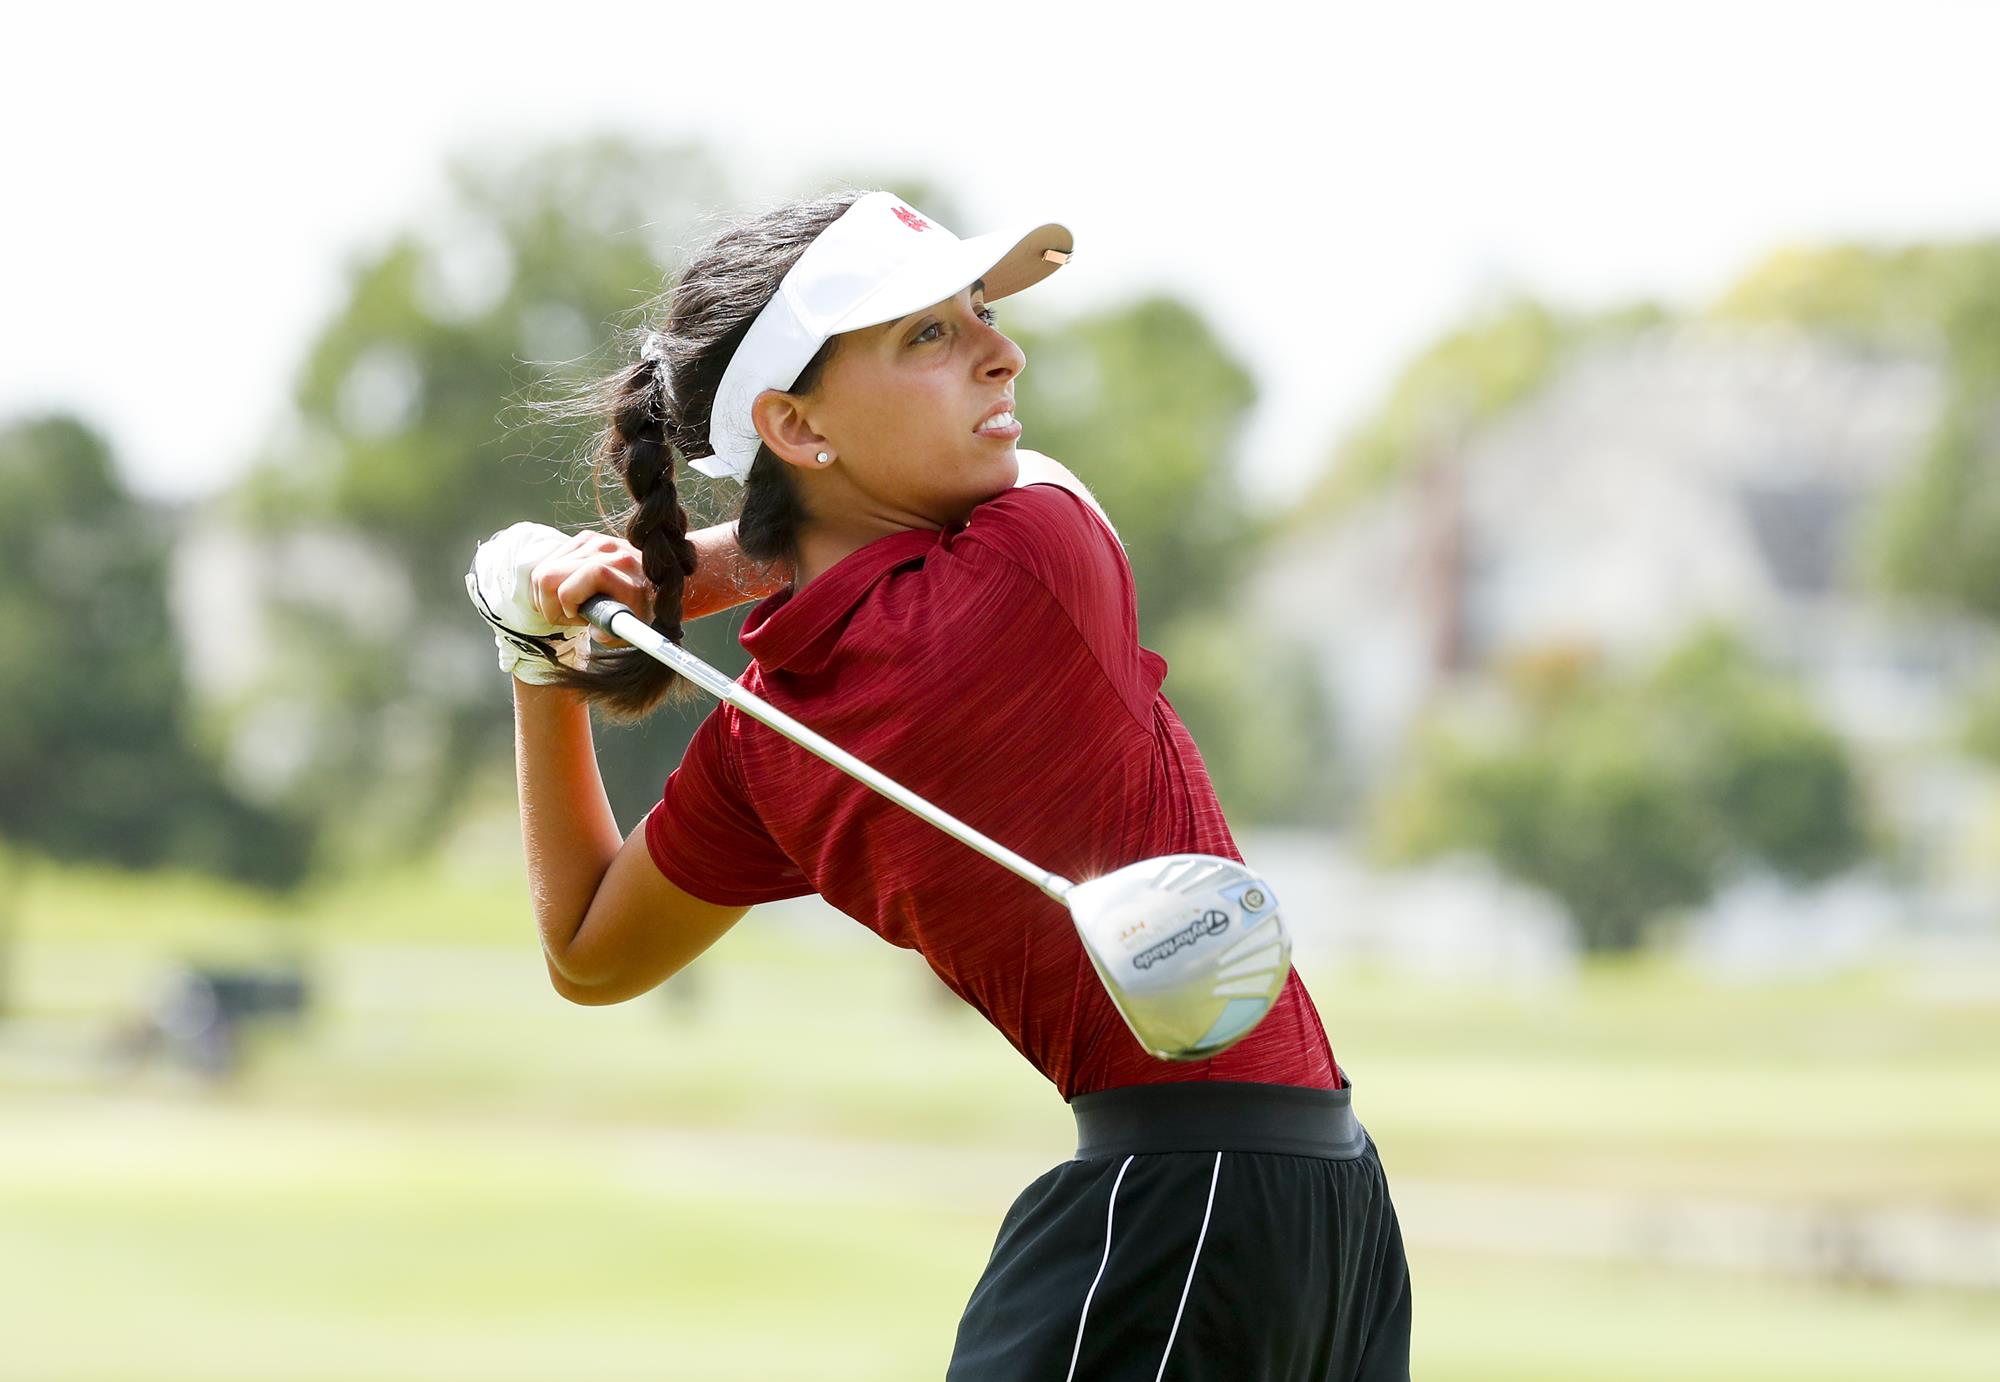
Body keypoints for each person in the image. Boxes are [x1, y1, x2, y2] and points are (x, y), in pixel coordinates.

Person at [466, 189, 1412, 1380]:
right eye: (928, 333)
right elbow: (990, 492)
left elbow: (589, 950)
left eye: (977, 313)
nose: (1000, 349)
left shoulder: (770, 742)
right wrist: (669, 584)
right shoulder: (1036, 555)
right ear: (799, 427)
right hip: (1312, 1206)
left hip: (1184, 1210)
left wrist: (541, 658)